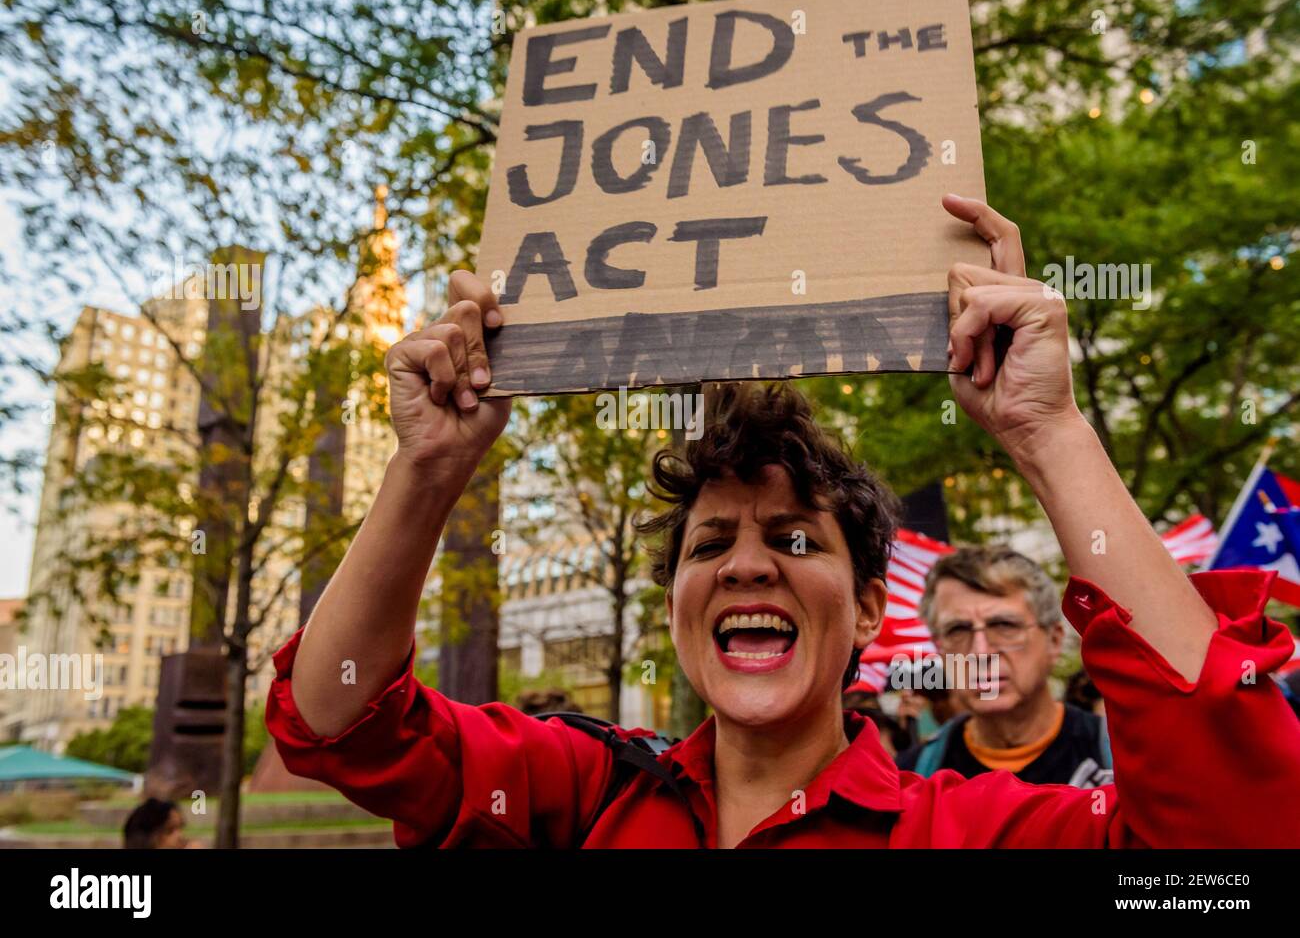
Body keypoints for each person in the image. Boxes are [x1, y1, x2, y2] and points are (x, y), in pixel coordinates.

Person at [265, 196, 1300, 847]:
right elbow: (336, 726)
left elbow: (1237, 828)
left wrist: (1049, 429)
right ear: (674, 603)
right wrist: (426, 469)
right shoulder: (573, 796)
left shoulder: (970, 827)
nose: (748, 564)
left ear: (862, 616)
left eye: (796, 540)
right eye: (710, 544)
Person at [896, 547, 1112, 788]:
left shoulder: (1122, 758)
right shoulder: (911, 778)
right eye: (957, 630)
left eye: (1004, 625)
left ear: (1054, 640)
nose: (980, 652)